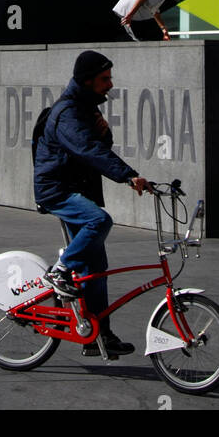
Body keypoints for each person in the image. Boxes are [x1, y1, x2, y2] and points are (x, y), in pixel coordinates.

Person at [34, 50, 151, 360]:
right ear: (87, 80)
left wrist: (106, 135)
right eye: (105, 78)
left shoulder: (85, 109)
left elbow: (95, 146)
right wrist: (129, 176)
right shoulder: (68, 113)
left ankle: (98, 335)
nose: (110, 84)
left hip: (78, 188)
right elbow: (87, 150)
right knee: (99, 221)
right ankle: (59, 272)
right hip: (57, 189)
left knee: (95, 269)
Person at [113, 0, 196, 40]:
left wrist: (163, 29)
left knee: (153, 37)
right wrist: (130, 15)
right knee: (153, 38)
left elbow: (154, 11)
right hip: (133, 14)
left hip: (131, 12)